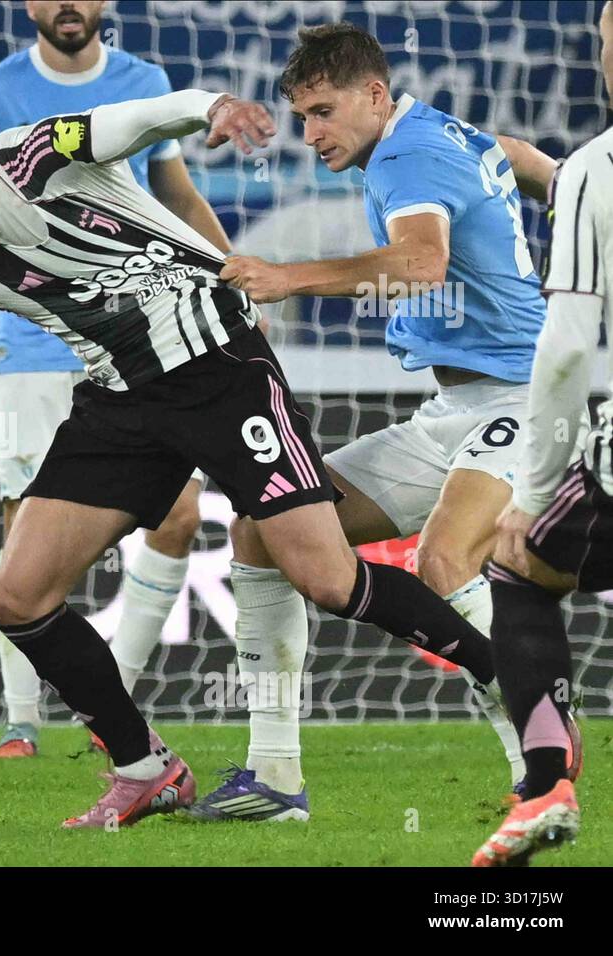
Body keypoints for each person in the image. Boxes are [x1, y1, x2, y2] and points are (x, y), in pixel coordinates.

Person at [0, 79, 509, 828]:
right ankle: (144, 765)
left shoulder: (36, 154)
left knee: (328, 579)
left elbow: (142, 118)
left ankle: (509, 681)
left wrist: (213, 108)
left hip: (219, 371)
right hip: (121, 403)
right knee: (17, 597)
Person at [209, 21, 574, 821]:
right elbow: (516, 153)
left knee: (445, 560)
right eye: (302, 116)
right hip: (455, 408)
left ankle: (540, 766)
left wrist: (286, 277)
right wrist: (573, 198)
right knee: (264, 528)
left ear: (375, 95)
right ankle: (273, 779)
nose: (311, 134)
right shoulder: (434, 130)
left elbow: (421, 263)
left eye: (324, 111)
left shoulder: (407, 156)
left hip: (524, 398)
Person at [0, 0, 226, 760]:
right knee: (26, 523)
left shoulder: (142, 78)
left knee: (179, 516)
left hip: (139, 338)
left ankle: (105, 700)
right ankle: (21, 722)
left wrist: (232, 271)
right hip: (33, 341)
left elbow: (174, 194)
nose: (69, 5)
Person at [471, 0, 613, 869]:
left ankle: (547, 783)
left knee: (518, 568)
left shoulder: (596, 169)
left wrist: (526, 497)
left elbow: (564, 351)